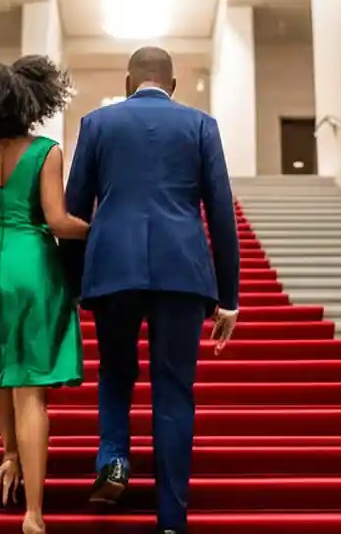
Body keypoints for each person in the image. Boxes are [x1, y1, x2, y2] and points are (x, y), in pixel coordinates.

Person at [64, 46, 241, 534]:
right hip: (182, 269)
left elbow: (75, 210)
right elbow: (221, 211)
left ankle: (115, 457)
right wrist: (229, 295)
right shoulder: (201, 125)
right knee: (174, 391)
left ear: (127, 83)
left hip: (113, 267)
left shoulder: (97, 125)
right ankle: (170, 518)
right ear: (173, 85)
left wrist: (74, 283)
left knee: (116, 374)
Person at [0, 56, 89, 534]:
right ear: (32, 102)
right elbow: (58, 221)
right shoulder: (46, 151)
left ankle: (9, 454)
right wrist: (104, 230)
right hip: (32, 262)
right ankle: (33, 512)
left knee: (0, 370)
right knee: (31, 390)